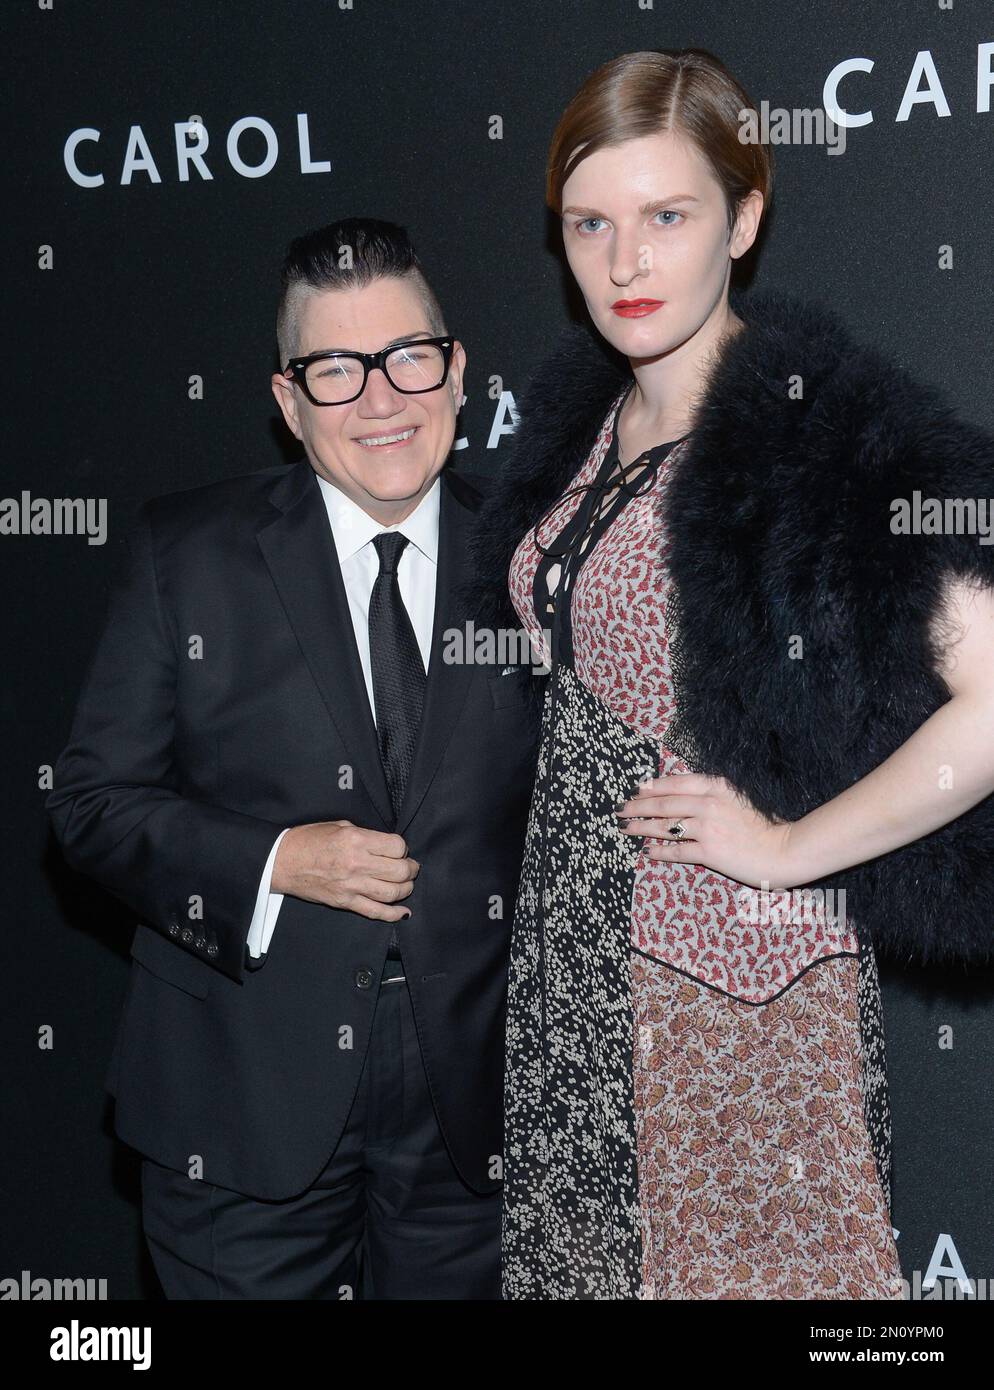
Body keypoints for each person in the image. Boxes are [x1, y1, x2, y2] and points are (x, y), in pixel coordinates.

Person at [461, 48, 994, 1299]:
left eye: (666, 216)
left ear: (743, 219)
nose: (624, 263)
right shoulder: (588, 423)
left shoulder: (818, 433)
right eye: (589, 224)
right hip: (575, 961)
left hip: (732, 983)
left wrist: (793, 845)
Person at [46, 217, 541, 1299]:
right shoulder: (186, 555)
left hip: (474, 1110)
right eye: (334, 369)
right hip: (238, 1093)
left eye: (407, 356)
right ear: (287, 400)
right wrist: (274, 862)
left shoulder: (535, 563)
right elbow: (87, 804)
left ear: (456, 372)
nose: (379, 398)